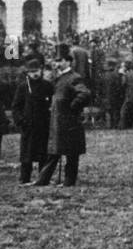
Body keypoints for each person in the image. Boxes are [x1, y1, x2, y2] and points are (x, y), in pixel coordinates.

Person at [35, 55, 92, 189]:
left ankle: (68, 181)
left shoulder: (74, 77)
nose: (57, 63)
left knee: (71, 153)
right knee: (54, 152)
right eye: (56, 60)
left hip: (70, 122)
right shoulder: (59, 78)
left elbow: (84, 94)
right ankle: (43, 179)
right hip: (58, 122)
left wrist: (72, 107)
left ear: (68, 62)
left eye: (60, 60)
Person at [12, 57, 54, 185]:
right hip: (28, 125)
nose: (34, 74)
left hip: (43, 124)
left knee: (43, 152)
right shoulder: (23, 87)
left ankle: (43, 178)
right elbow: (16, 106)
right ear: (27, 73)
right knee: (27, 154)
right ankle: (25, 177)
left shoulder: (47, 86)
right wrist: (21, 121)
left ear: (41, 70)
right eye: (31, 71)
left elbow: (53, 104)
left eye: (36, 71)